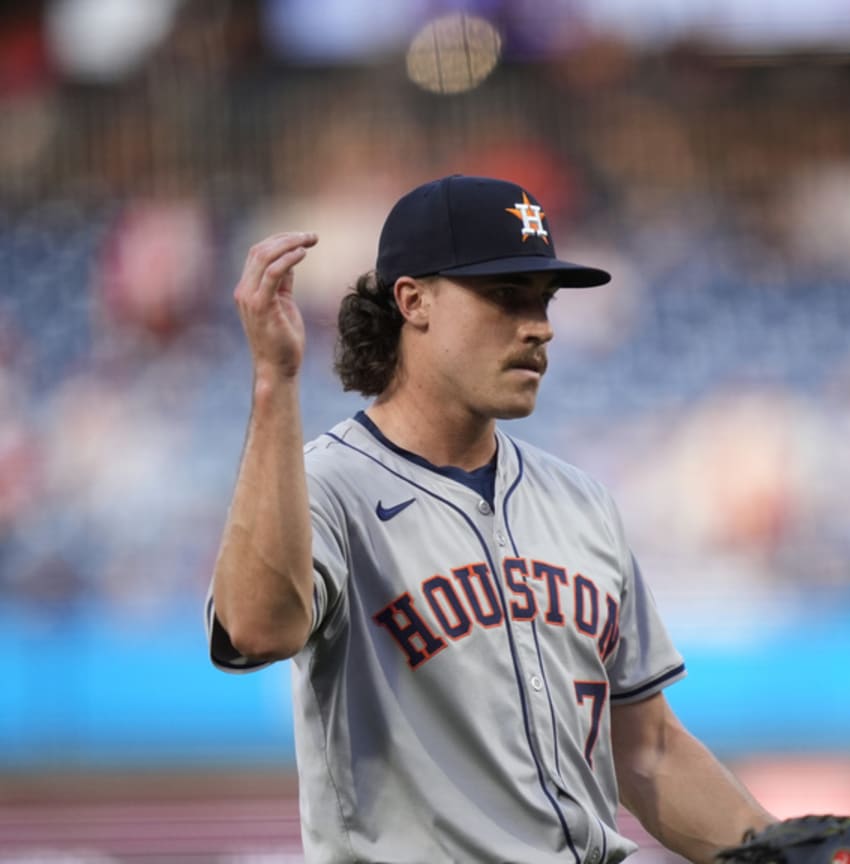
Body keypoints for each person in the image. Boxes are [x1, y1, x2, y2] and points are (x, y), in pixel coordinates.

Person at [205, 174, 773, 863]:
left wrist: (786, 853)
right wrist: (275, 383)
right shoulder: (326, 487)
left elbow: (646, 750)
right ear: (413, 301)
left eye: (543, 300)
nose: (540, 326)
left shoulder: (580, 501)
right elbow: (257, 631)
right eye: (506, 297)